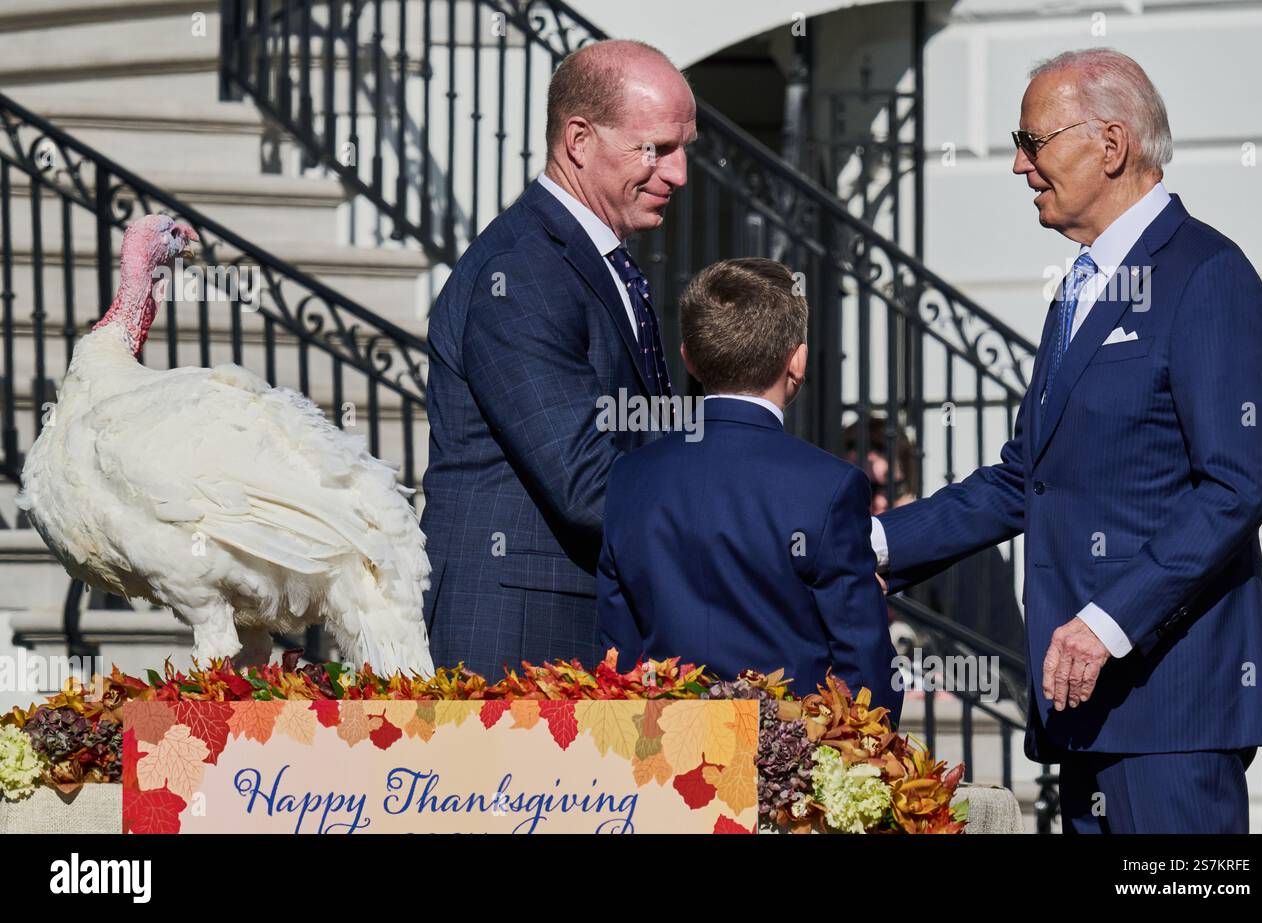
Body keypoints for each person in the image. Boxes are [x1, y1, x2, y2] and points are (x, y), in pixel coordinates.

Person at [872, 48, 1262, 833]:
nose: (1020, 166)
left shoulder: (1208, 276)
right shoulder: (1081, 284)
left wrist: (1107, 620)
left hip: (1172, 716)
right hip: (1084, 711)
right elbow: (1022, 478)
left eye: (1032, 141)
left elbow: (1235, 485)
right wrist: (877, 543)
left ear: (1110, 143)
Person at [420, 40, 695, 677]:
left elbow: (638, 442)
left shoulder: (588, 261)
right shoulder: (522, 272)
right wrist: (744, 525)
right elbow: (587, 484)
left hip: (572, 635)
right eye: (656, 148)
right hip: (517, 646)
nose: (678, 173)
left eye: (685, 148)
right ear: (578, 139)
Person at [597, 258, 902, 714]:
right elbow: (865, 670)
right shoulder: (829, 485)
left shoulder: (631, 477)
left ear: (689, 359)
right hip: (788, 764)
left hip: (663, 755)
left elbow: (616, 660)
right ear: (796, 361)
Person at [844, 419, 1025, 656]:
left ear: (910, 484)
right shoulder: (831, 563)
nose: (879, 502)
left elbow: (1003, 659)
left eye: (891, 487)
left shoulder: (971, 559)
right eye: (865, 491)